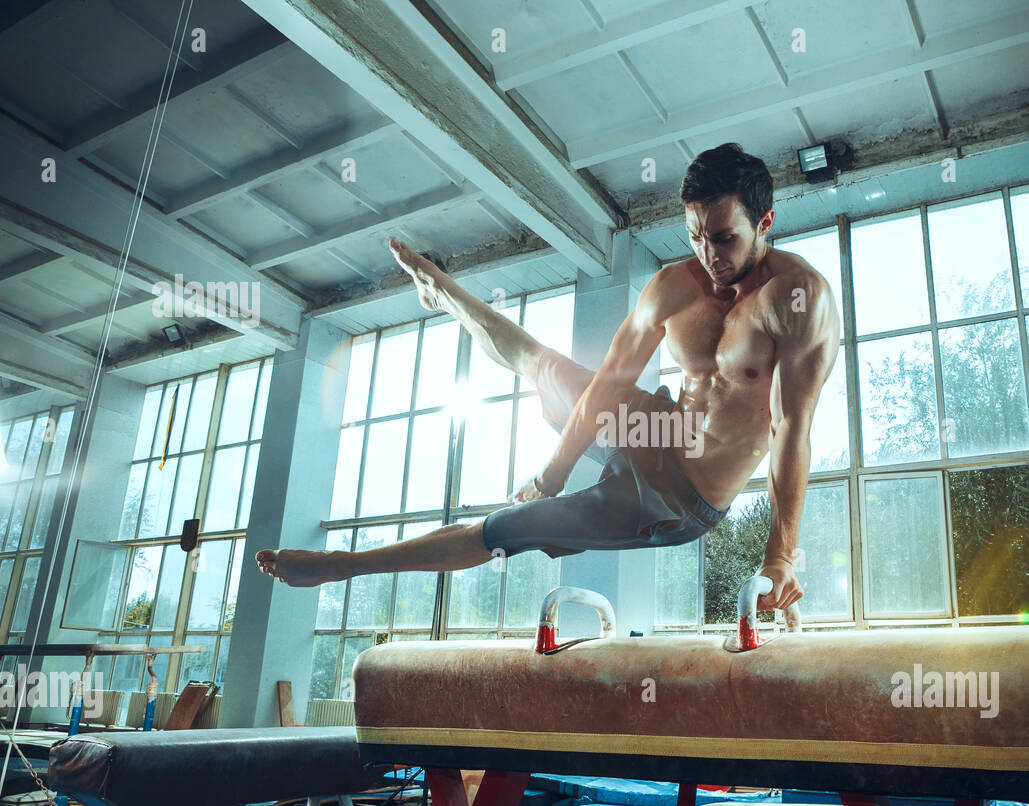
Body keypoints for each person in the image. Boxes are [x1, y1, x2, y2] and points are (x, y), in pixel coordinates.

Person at [256, 143, 840, 613]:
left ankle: (339, 565)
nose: (707, 254)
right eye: (693, 235)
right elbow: (609, 384)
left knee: (506, 527)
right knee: (544, 366)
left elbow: (792, 428)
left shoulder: (795, 299)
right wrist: (552, 473)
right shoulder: (673, 287)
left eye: (723, 238)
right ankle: (446, 294)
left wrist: (781, 555)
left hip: (678, 500)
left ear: (764, 221)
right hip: (658, 429)